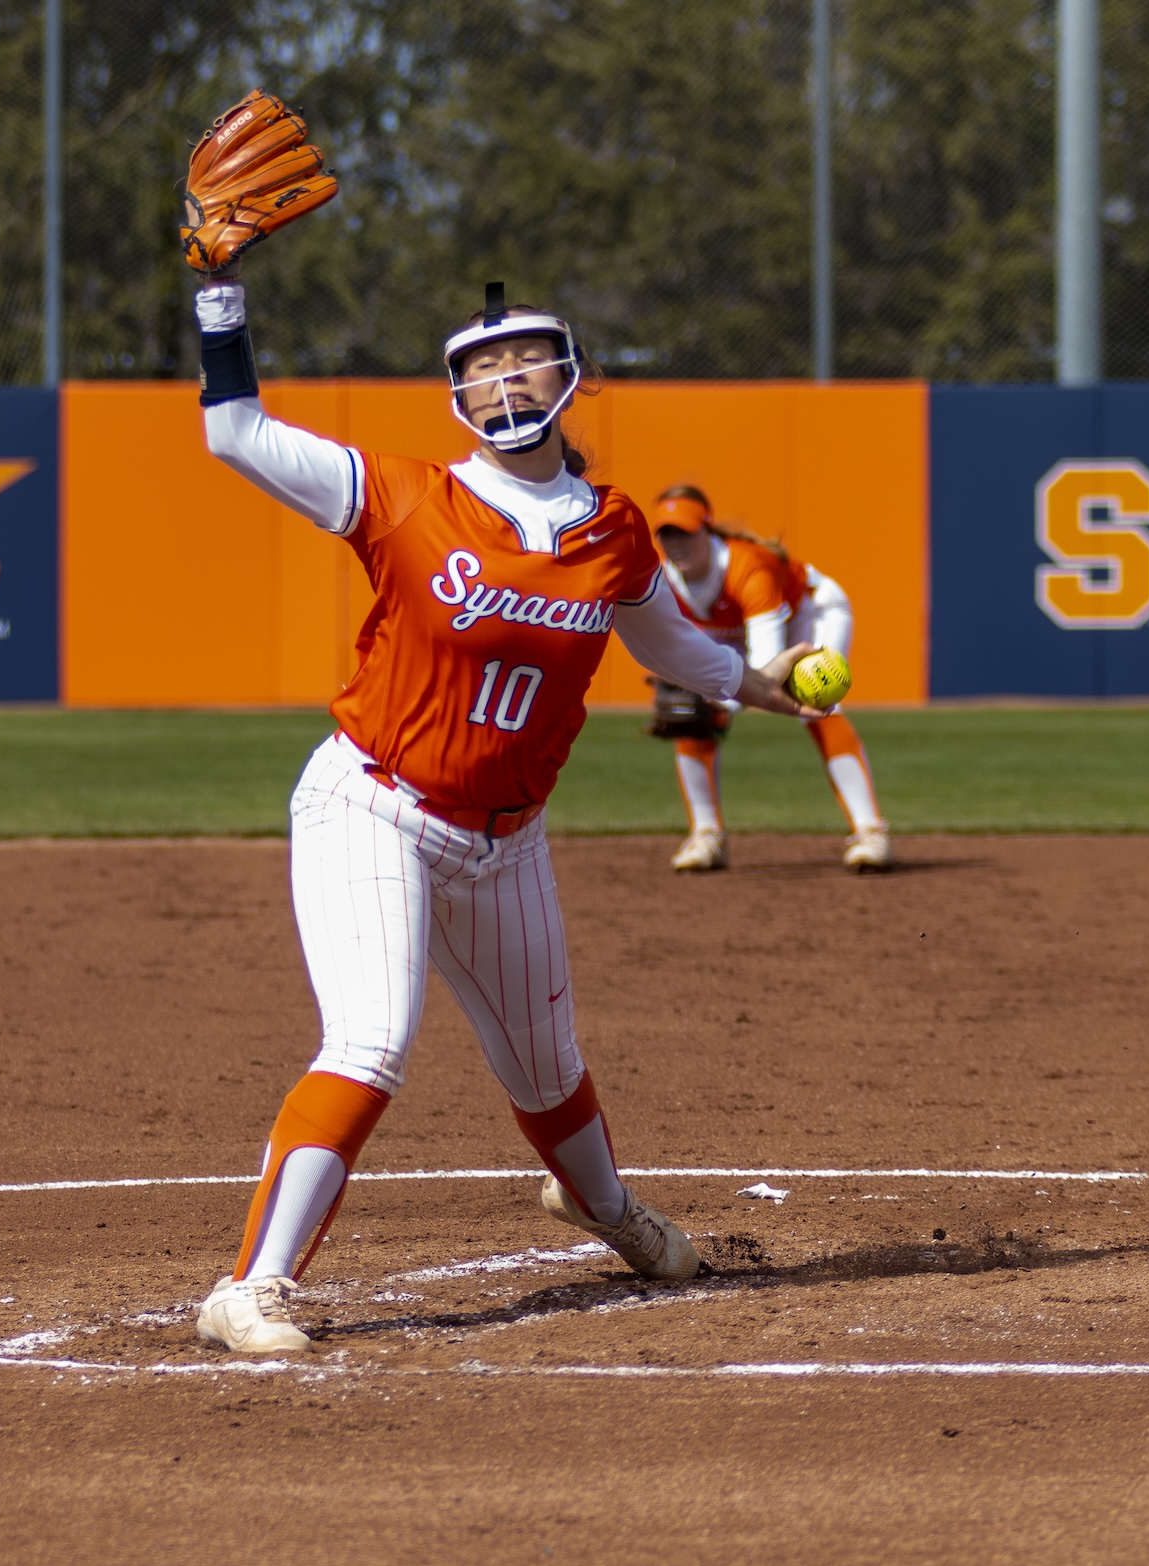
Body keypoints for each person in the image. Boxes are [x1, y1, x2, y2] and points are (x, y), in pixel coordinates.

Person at [188, 274, 826, 1353]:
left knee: (546, 1068)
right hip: (374, 804)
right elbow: (236, 433)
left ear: (568, 375)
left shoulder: (614, 530)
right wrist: (221, 304)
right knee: (372, 1042)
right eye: (478, 366)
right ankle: (250, 1287)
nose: (500, 377)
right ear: (456, 396)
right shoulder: (399, 495)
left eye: (520, 356)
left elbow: (672, 646)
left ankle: (604, 1208)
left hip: (508, 838)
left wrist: (765, 682)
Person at [647, 485, 892, 872]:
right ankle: (706, 836)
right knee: (692, 714)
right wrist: (703, 697)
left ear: (706, 530)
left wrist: (717, 700)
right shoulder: (662, 580)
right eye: (667, 533)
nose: (675, 542)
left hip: (807, 616)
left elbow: (765, 669)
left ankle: (870, 832)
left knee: (817, 703)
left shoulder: (747, 568)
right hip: (733, 633)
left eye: (685, 532)